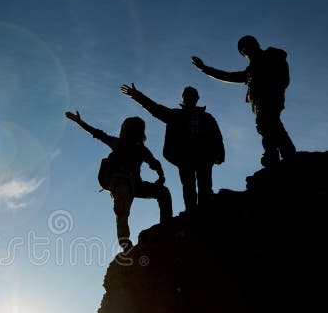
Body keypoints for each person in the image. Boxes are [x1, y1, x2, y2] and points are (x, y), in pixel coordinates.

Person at [65, 111, 172, 251]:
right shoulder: (123, 144)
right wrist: (80, 122)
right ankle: (125, 243)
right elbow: (99, 134)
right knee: (123, 211)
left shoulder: (137, 148)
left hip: (135, 184)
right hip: (121, 183)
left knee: (161, 193)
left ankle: (165, 226)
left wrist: (161, 176)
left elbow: (154, 163)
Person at [192, 35, 296, 168]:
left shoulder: (271, 56)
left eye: (245, 50)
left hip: (270, 98)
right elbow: (229, 76)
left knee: (269, 124)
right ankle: (277, 154)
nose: (245, 53)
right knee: (269, 126)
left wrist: (273, 91)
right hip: (261, 102)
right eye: (243, 52)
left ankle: (277, 154)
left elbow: (283, 78)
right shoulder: (251, 71)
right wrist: (205, 69)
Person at [121, 83, 224, 212]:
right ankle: (191, 213)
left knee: (205, 186)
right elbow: (155, 109)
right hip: (185, 156)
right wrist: (137, 96)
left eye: (192, 96)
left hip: (204, 156)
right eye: (187, 96)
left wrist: (219, 155)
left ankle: (205, 212)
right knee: (189, 186)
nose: (190, 98)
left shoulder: (207, 117)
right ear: (183, 99)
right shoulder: (175, 115)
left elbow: (217, 136)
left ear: (196, 98)